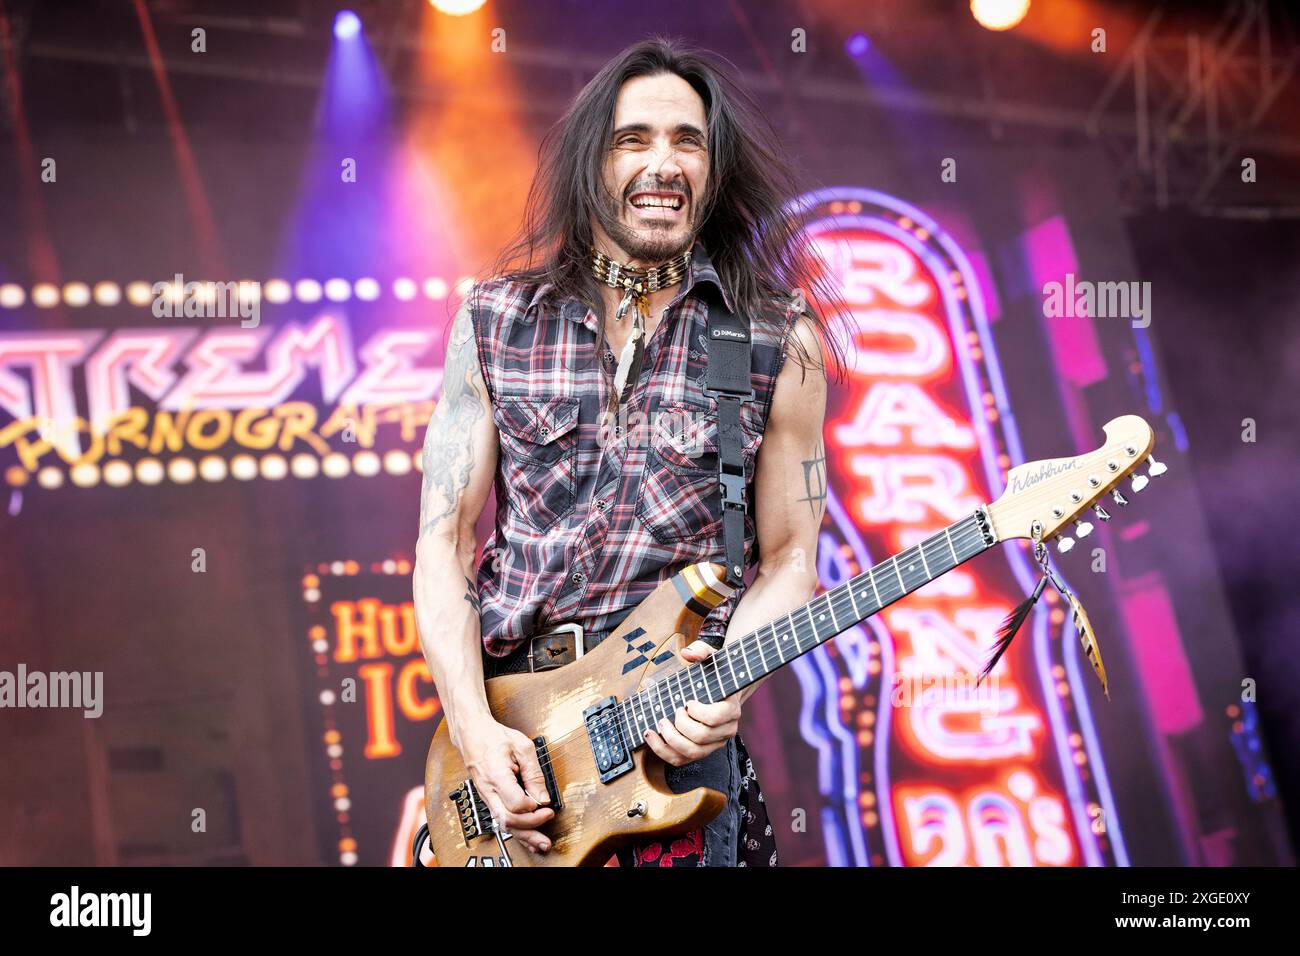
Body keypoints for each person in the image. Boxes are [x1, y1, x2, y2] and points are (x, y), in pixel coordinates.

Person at [413, 36, 847, 866]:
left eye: (689, 141)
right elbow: (443, 542)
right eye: (633, 140)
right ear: (592, 167)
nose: (664, 163)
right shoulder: (494, 324)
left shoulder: (775, 342)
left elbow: (792, 560)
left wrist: (730, 681)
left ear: (713, 171)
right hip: (512, 743)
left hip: (669, 754)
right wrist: (471, 726)